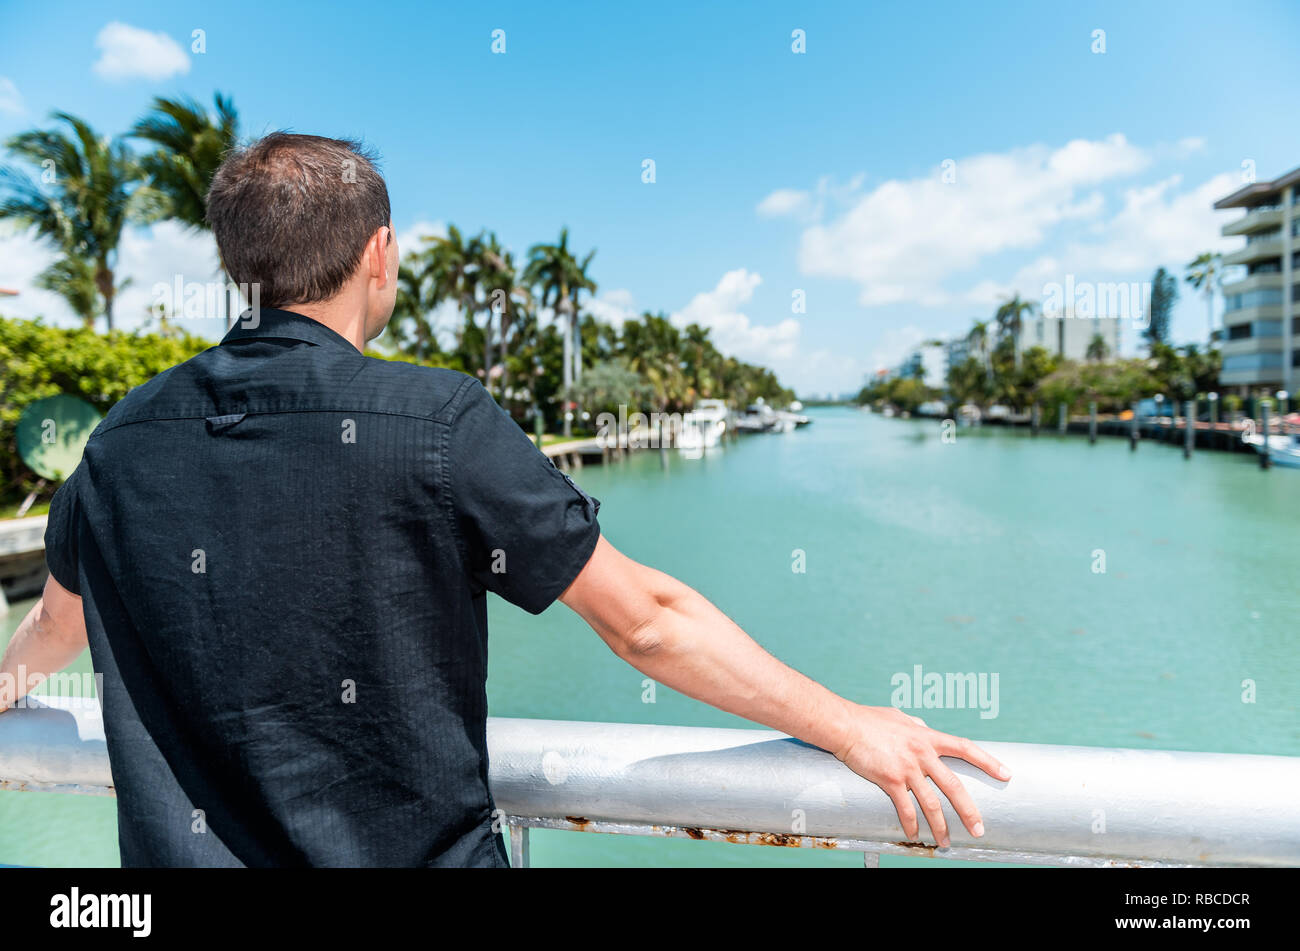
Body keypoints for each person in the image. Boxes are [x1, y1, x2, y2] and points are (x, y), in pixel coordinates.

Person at [0, 133, 1010, 866]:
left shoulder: (125, 436)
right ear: (378, 254)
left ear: (238, 262)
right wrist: (843, 724)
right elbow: (647, 625)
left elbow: (58, 619)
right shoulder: (434, 419)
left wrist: (5, 683)